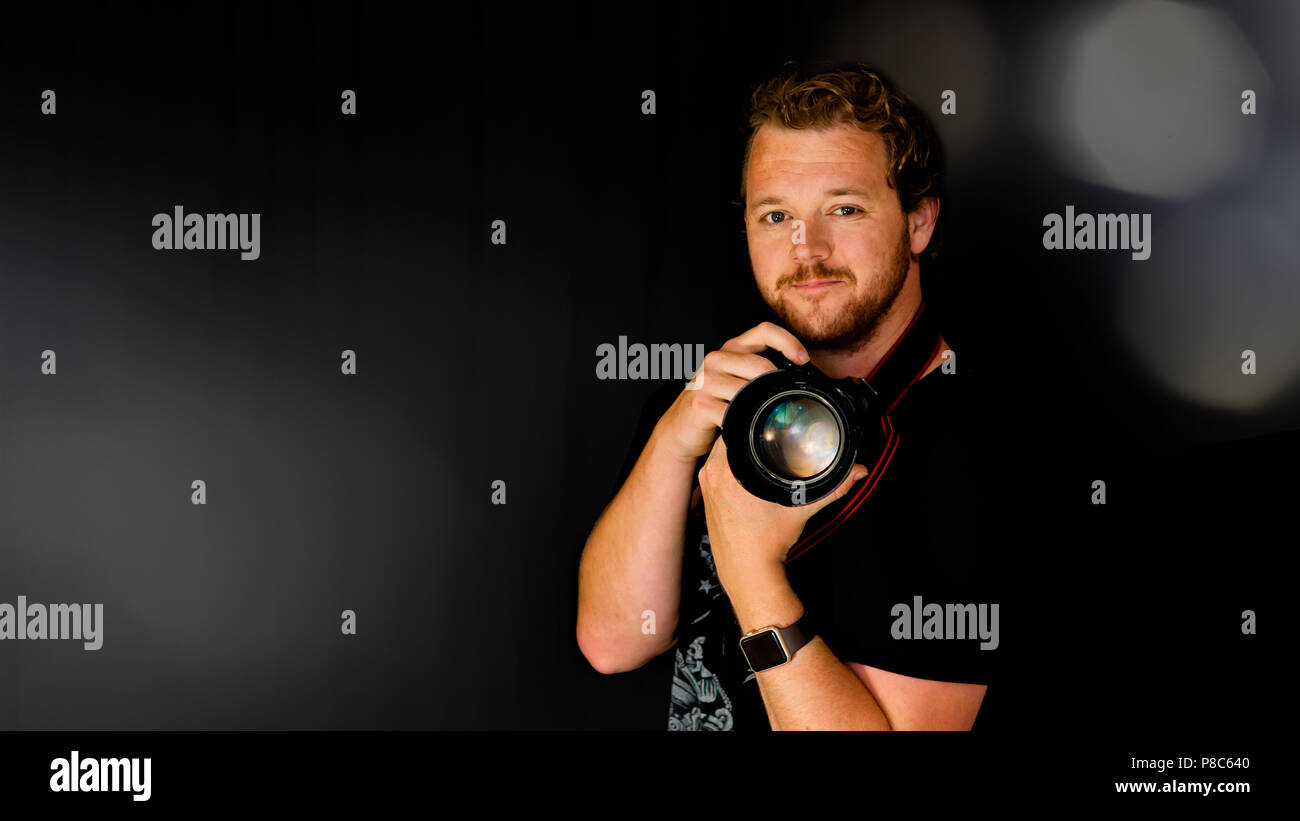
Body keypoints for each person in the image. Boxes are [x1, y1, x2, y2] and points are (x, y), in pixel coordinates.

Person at [576, 64, 1000, 730]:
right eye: (776, 215)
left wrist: (751, 572)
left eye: (845, 208)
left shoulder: (985, 443)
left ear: (918, 224)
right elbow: (613, 642)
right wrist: (674, 435)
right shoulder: (710, 401)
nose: (809, 250)